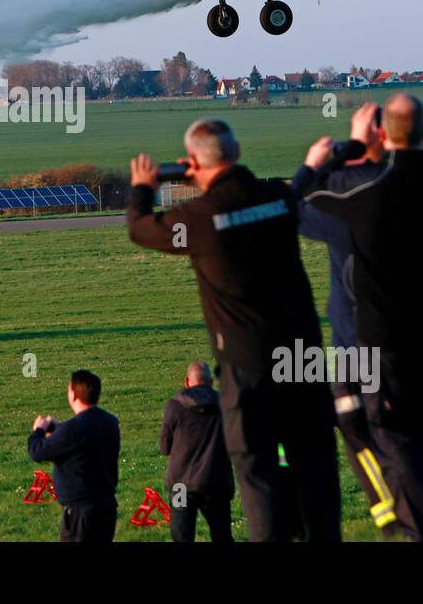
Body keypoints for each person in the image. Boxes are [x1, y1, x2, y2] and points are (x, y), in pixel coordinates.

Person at [127, 119, 341, 542]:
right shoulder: (277, 199)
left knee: (257, 472)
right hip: (303, 360)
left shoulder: (200, 219)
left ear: (191, 163)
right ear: (237, 150)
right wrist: (312, 166)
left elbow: (139, 228)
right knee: (314, 464)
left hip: (247, 368)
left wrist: (142, 187)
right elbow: (297, 192)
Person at [295, 94, 423, 540]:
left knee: (372, 430)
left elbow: (295, 206)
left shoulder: (353, 195)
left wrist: (338, 153)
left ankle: (409, 520)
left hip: (360, 341)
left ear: (376, 135)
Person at [292, 107, 400, 536]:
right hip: (412, 336)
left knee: (357, 420)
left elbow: (294, 206)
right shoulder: (418, 189)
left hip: (359, 341)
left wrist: (322, 162)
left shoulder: (348, 211)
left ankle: (391, 506)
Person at [27, 369, 121, 542]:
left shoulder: (73, 430)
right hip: (107, 507)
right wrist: (60, 428)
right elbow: (85, 439)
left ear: (74, 395)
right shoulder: (110, 422)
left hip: (81, 513)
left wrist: (38, 430)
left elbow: (37, 451)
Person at [159, 361, 235, 542]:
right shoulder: (226, 406)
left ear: (187, 382)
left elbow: (164, 448)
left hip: (180, 486)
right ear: (210, 382)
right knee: (222, 535)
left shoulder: (174, 406)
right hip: (216, 482)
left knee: (181, 536)